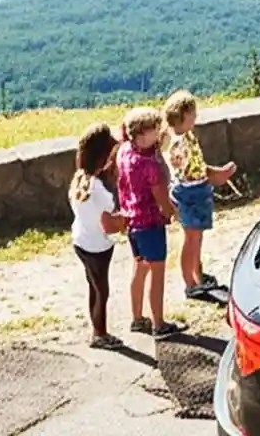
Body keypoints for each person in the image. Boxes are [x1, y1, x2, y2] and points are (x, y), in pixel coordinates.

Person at [116, 106, 186, 340]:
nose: (158, 133)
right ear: (142, 133)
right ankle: (159, 323)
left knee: (139, 268)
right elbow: (161, 199)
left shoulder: (125, 152)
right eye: (155, 130)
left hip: (132, 222)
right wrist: (175, 213)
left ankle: (137, 317)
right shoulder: (150, 166)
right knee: (157, 272)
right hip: (150, 224)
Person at [161, 89, 237, 301]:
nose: (196, 117)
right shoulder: (178, 143)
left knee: (196, 236)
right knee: (191, 238)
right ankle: (190, 283)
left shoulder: (184, 136)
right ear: (182, 116)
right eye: (192, 114)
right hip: (190, 192)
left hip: (195, 189)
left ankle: (197, 275)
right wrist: (217, 173)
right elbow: (190, 170)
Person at [68, 122, 128, 350]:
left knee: (93, 286)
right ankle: (100, 333)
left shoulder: (79, 181)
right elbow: (108, 225)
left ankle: (96, 328)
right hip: (98, 248)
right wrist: (125, 220)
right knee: (102, 290)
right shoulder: (99, 192)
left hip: (81, 241)